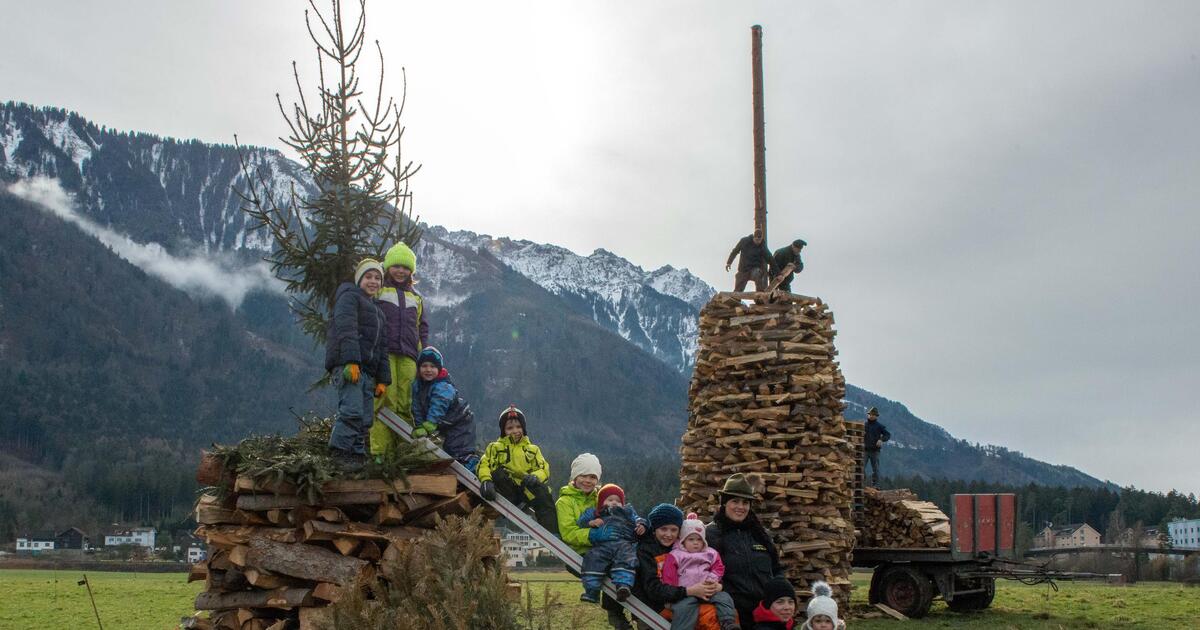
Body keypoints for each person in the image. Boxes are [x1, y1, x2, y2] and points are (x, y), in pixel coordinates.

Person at [324, 258, 391, 471]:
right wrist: (351, 361)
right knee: (351, 411)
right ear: (359, 279)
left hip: (368, 374)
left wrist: (383, 379)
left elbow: (382, 348)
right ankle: (339, 454)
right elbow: (346, 329)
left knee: (365, 419)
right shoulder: (349, 297)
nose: (373, 281)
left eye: (377, 278)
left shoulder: (378, 312)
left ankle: (357, 457)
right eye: (368, 277)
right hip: (349, 367)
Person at [557, 453, 634, 630]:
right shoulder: (564, 502)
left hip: (609, 546)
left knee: (628, 563)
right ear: (574, 477)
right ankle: (615, 614)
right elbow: (568, 533)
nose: (587, 480)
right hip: (580, 552)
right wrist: (593, 535)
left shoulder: (601, 497)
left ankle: (632, 611)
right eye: (583, 475)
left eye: (592, 477)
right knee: (609, 569)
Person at [371, 241, 429, 459]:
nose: (401, 271)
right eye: (396, 266)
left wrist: (422, 352)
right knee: (385, 401)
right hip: (384, 353)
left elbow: (422, 328)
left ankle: (403, 451)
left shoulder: (416, 298)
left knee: (406, 403)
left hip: (409, 356)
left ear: (411, 272)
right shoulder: (380, 291)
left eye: (406, 268)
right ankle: (380, 453)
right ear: (387, 267)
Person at [706, 473, 782, 625]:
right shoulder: (710, 534)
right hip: (731, 616)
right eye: (735, 501)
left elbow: (777, 569)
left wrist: (781, 593)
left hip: (764, 613)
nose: (741, 507)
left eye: (745, 502)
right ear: (724, 503)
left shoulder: (761, 534)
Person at [635, 504, 725, 630]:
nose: (668, 534)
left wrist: (718, 585)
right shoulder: (647, 551)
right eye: (663, 529)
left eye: (673, 530)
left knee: (719, 613)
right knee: (708, 616)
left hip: (686, 599)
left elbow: (702, 568)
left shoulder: (683, 548)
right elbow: (652, 588)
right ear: (655, 529)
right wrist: (690, 591)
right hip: (657, 608)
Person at [476, 405, 557, 531]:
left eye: (518, 427)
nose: (515, 431)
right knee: (498, 473)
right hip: (506, 489)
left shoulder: (532, 449)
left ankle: (553, 532)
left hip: (526, 490)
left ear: (523, 429)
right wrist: (486, 480)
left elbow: (544, 468)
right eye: (510, 428)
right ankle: (512, 503)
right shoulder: (495, 447)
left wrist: (535, 477)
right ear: (503, 431)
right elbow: (484, 464)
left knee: (544, 492)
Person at [662, 513, 741, 630]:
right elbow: (669, 574)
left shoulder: (710, 552)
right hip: (687, 592)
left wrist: (713, 579)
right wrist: (671, 598)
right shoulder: (676, 554)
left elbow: (718, 567)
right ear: (683, 540)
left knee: (724, 598)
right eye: (691, 539)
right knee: (684, 608)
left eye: (699, 539)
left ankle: (728, 622)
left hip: (708, 588)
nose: (696, 542)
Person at [409, 346, 478, 471]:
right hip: (446, 423)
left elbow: (439, 405)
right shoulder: (417, 386)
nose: (428, 370)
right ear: (419, 368)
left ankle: (473, 467)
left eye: (433, 366)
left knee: (458, 450)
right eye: (424, 366)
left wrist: (430, 423)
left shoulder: (443, 385)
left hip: (460, 421)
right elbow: (416, 407)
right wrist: (419, 426)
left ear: (439, 369)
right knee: (448, 449)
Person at [576, 484, 646, 604]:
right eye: (610, 500)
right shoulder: (596, 512)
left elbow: (638, 519)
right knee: (592, 559)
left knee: (627, 560)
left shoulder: (627, 511)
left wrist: (642, 525)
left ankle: (623, 586)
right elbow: (581, 521)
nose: (614, 502)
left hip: (623, 543)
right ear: (601, 502)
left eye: (618, 501)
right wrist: (591, 522)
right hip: (602, 545)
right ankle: (592, 591)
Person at [864, 407, 890, 487]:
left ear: (876, 416)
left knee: (876, 469)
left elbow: (888, 435)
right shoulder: (864, 425)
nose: (871, 416)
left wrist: (881, 440)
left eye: (873, 415)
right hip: (865, 450)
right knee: (860, 467)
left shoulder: (879, 426)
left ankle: (876, 486)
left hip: (875, 451)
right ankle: (861, 483)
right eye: (870, 414)